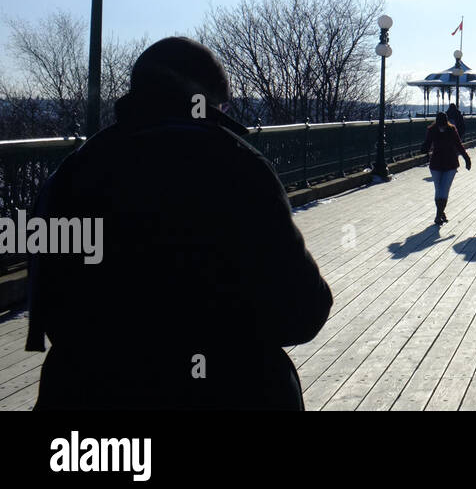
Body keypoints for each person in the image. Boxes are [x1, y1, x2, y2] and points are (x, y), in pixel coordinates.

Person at [24, 36, 333, 410]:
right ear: (208, 101)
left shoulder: (74, 170)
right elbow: (302, 312)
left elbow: (49, 304)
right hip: (226, 392)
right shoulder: (237, 167)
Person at [422, 112, 471, 225]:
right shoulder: (432, 130)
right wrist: (424, 148)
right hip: (436, 164)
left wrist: (467, 159)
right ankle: (440, 213)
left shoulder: (452, 130)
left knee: (444, 189)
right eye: (440, 125)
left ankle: (438, 215)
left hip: (450, 164)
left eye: (443, 125)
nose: (442, 127)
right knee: (439, 190)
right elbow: (427, 144)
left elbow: (459, 145)